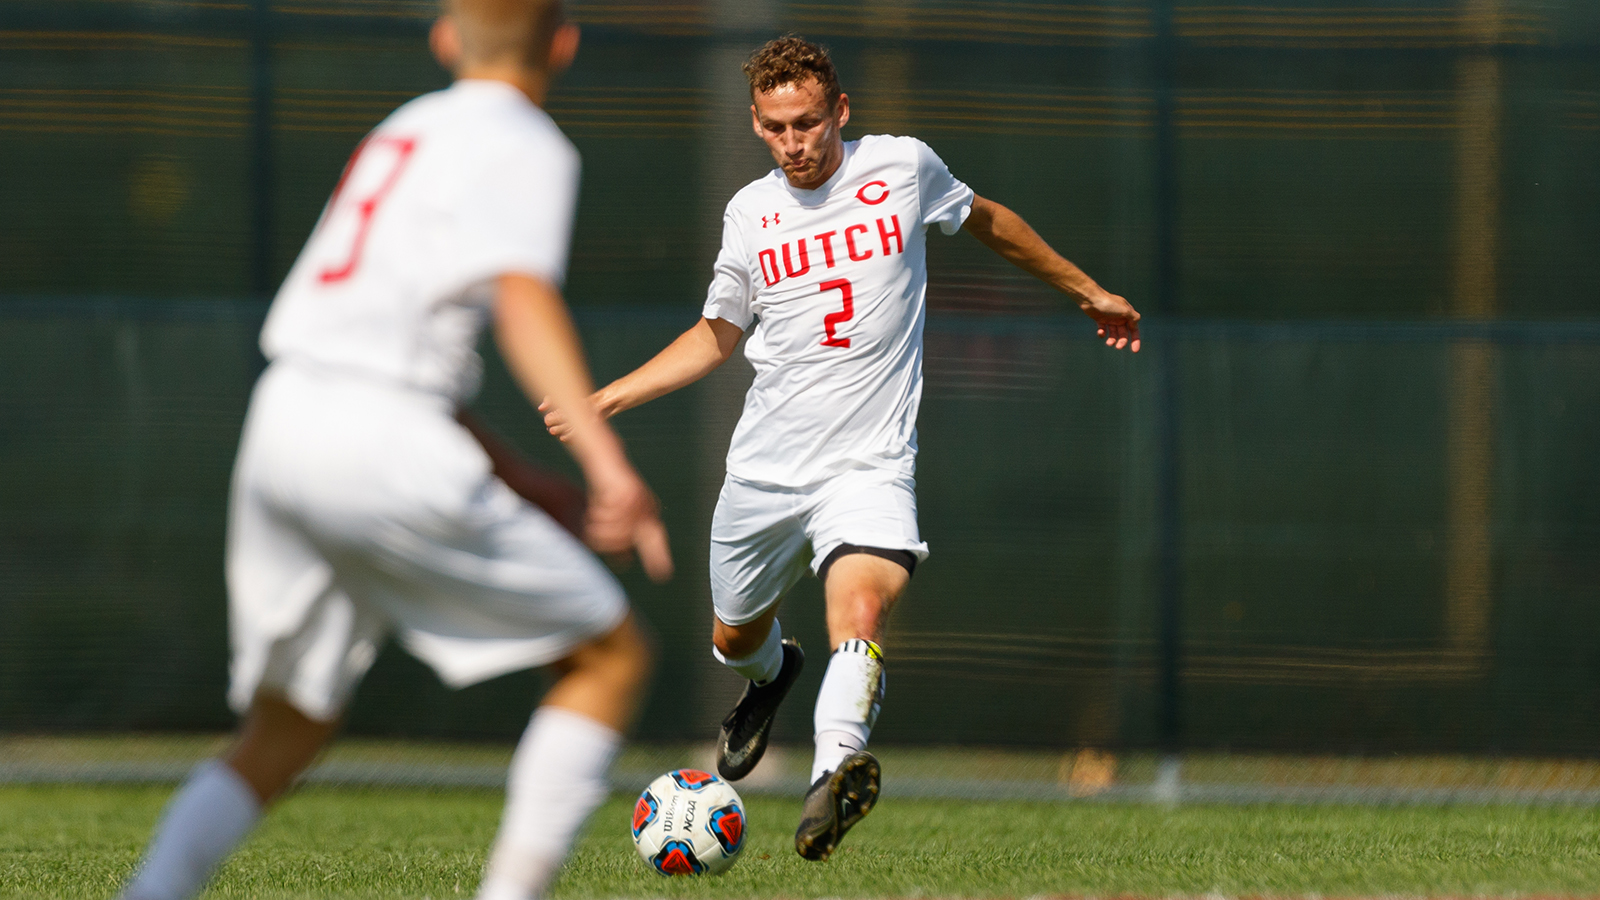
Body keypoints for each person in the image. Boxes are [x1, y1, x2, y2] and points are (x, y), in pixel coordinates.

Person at [114, 3, 671, 899]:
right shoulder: (526, 140)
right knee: (609, 658)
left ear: (445, 38)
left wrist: (521, 476)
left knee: (287, 727)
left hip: (285, 422)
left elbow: (383, 347)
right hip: (382, 438)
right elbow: (521, 297)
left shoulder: (404, 128)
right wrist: (609, 467)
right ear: (563, 43)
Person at [542, 35, 1141, 861]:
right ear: (756, 124)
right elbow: (718, 336)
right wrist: (607, 395)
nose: (796, 142)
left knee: (859, 610)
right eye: (778, 126)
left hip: (869, 466)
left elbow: (990, 221)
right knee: (733, 637)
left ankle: (834, 773)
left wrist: (1088, 290)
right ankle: (769, 676)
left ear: (841, 112)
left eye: (810, 123)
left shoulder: (902, 166)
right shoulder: (750, 213)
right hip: (763, 472)